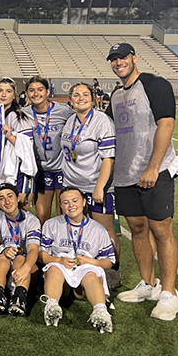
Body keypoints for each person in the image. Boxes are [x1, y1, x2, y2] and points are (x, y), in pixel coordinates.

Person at [105, 43, 178, 320]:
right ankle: (149, 284)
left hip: (153, 171)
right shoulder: (115, 94)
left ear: (134, 58)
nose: (118, 62)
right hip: (126, 174)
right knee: (137, 228)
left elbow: (167, 124)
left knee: (161, 231)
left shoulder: (154, 84)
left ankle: (170, 293)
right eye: (113, 59)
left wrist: (153, 167)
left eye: (122, 57)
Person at [58, 82, 118, 284]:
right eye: (76, 95)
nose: (80, 98)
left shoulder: (102, 121)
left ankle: (112, 272)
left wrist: (99, 188)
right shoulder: (70, 121)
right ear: (70, 99)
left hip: (94, 185)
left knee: (105, 231)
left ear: (93, 98)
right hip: (71, 185)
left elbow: (108, 159)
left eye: (85, 94)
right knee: (73, 229)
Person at [38, 188, 115, 332]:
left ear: (84, 202)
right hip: (61, 272)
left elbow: (109, 261)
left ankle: (101, 312)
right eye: (65, 202)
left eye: (75, 201)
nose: (71, 205)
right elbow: (40, 255)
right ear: (60, 205)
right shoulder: (51, 224)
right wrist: (59, 260)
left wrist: (91, 262)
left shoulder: (98, 229)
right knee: (53, 268)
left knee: (91, 274)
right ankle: (52, 305)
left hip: (85, 276)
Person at [0, 183, 40, 316]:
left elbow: (33, 249)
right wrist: (4, 250)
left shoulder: (32, 220)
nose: (7, 201)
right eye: (1, 198)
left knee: (21, 258)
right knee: (2, 257)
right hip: (1, 265)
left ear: (17, 198)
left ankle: (19, 298)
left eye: (10, 196)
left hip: (24, 266)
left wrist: (26, 267)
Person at [24, 76, 69, 222]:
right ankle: (45, 244)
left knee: (64, 213)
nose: (36, 93)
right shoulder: (23, 113)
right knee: (42, 216)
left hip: (62, 168)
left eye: (40, 89)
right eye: (31, 90)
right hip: (41, 170)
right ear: (27, 93)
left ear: (47, 92)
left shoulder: (63, 111)